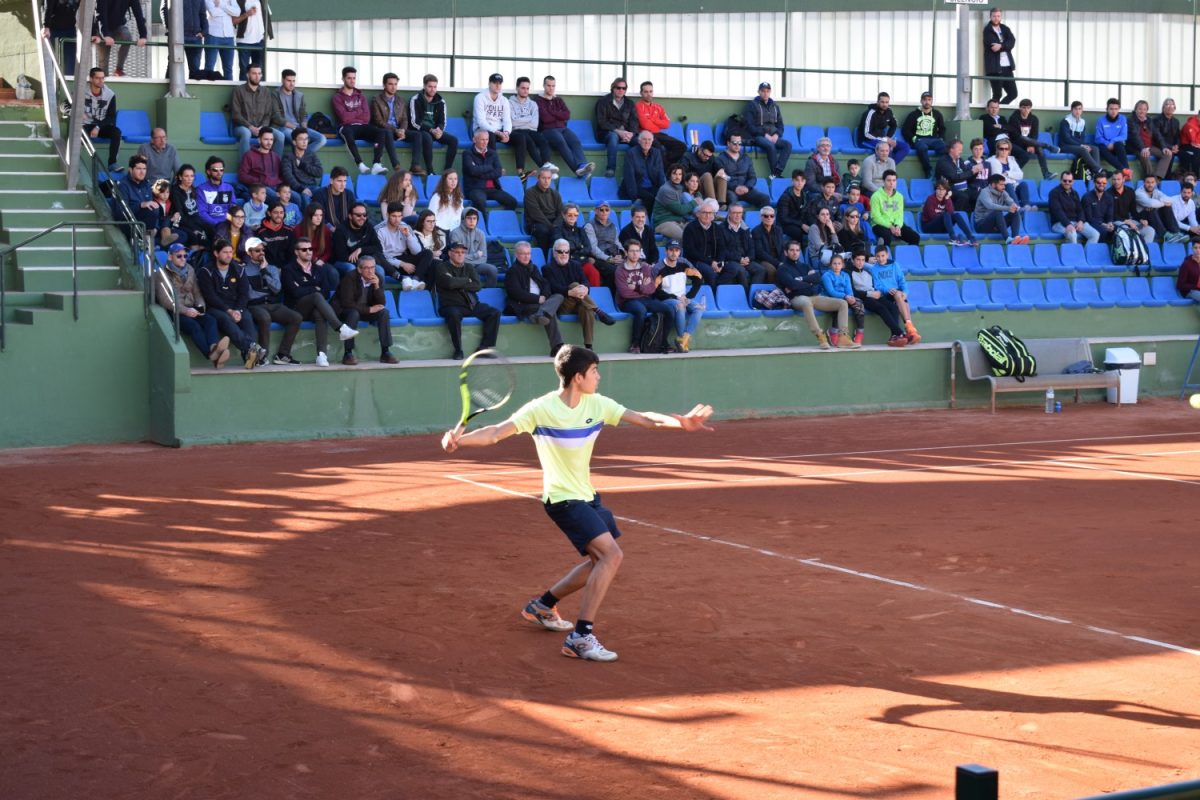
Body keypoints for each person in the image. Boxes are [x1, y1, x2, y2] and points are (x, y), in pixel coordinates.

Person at [442, 344, 713, 661]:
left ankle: (542, 605)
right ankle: (581, 638)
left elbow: (642, 418)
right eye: (595, 371)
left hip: (587, 494)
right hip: (562, 498)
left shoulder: (597, 404)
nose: (599, 377)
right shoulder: (541, 409)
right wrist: (461, 440)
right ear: (577, 377)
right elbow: (495, 433)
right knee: (611, 556)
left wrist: (679, 422)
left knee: (600, 561)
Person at [281, 236, 360, 366]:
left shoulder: (319, 269)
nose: (308, 252)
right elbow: (295, 292)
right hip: (295, 309)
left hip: (314, 308)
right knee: (316, 297)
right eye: (304, 249)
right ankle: (340, 328)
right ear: (296, 252)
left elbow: (325, 291)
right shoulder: (288, 269)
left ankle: (321, 355)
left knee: (320, 313)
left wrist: (305, 287)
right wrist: (314, 288)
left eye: (310, 249)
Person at [197, 238, 268, 369]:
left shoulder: (238, 269)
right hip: (216, 308)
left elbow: (244, 293)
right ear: (216, 253)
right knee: (225, 319)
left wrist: (238, 310)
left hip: (237, 306)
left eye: (231, 252)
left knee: (246, 318)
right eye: (225, 252)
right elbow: (210, 296)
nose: (229, 255)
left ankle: (249, 355)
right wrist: (229, 311)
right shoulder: (206, 271)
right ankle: (252, 350)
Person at [156, 243, 231, 367]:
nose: (183, 259)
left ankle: (213, 348)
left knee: (210, 320)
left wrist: (201, 306)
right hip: (176, 310)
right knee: (193, 326)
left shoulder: (190, 269)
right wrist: (185, 310)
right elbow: (165, 300)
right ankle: (211, 354)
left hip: (192, 308)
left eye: (185, 256)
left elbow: (196, 292)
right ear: (170, 257)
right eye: (179, 256)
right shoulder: (162, 273)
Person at [435, 240, 500, 360]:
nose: (460, 254)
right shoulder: (442, 267)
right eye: (457, 252)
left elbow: (477, 286)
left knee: (494, 312)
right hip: (451, 305)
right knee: (453, 315)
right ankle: (458, 350)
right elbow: (449, 283)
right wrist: (466, 280)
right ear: (450, 253)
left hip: (471, 305)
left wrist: (457, 282)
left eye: (463, 252)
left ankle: (484, 348)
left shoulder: (469, 267)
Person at [543, 240, 615, 350]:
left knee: (587, 309)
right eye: (560, 252)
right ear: (554, 253)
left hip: (579, 302)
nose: (564, 254)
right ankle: (598, 311)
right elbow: (552, 288)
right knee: (575, 285)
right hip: (562, 304)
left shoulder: (575, 265)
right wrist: (569, 292)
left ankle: (588, 346)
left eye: (566, 252)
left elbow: (585, 282)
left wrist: (585, 288)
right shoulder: (547, 268)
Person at [241, 235, 302, 365]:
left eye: (262, 250)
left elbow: (276, 289)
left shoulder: (272, 268)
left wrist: (264, 272)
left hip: (273, 304)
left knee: (296, 317)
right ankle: (262, 356)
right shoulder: (243, 270)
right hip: (255, 306)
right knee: (265, 318)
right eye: (257, 251)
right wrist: (265, 287)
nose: (261, 253)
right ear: (249, 253)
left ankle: (283, 354)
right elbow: (250, 294)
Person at [775, 239, 844, 349]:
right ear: (786, 252)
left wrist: (801, 279)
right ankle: (820, 336)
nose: (795, 252)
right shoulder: (783, 269)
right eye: (792, 250)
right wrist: (809, 283)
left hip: (814, 297)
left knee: (842, 303)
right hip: (796, 299)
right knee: (806, 302)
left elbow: (817, 278)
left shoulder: (805, 266)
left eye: (797, 250)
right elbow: (793, 285)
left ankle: (843, 337)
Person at [333, 255, 398, 365]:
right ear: (359, 269)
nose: (370, 271)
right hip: (344, 310)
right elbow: (347, 303)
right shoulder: (350, 278)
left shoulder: (378, 278)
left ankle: (385, 352)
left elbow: (381, 304)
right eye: (367, 268)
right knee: (353, 314)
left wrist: (377, 286)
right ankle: (348, 353)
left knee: (384, 313)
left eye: (372, 267)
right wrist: (369, 310)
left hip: (363, 311)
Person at [506, 242, 566, 357]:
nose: (526, 256)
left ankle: (540, 314)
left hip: (541, 303)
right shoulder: (512, 271)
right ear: (517, 255)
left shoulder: (533, 268)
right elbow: (516, 293)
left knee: (559, 296)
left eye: (528, 253)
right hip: (524, 304)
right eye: (523, 254)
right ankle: (557, 346)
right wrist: (537, 299)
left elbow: (545, 284)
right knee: (549, 313)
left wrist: (544, 296)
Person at [614, 239, 674, 354]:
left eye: (637, 251)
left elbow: (651, 289)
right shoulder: (620, 270)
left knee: (669, 310)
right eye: (632, 251)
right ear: (626, 252)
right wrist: (643, 287)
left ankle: (663, 342)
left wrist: (637, 288)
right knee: (641, 310)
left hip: (645, 299)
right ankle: (635, 344)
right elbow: (624, 293)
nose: (635, 254)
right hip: (627, 301)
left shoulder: (645, 267)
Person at [333, 66, 394, 175]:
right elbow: (344, 118)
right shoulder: (337, 97)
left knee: (382, 132)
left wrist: (351, 114)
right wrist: (358, 113)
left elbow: (366, 117)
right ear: (343, 79)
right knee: (347, 132)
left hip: (362, 126)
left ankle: (376, 164)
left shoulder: (361, 96)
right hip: (347, 127)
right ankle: (360, 164)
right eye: (349, 78)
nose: (352, 81)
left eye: (354, 78)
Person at [534, 76, 594, 178]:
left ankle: (582, 165)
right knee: (561, 141)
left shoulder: (558, 100)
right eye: (548, 85)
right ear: (544, 86)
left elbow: (567, 115)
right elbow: (545, 118)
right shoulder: (538, 100)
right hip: (547, 130)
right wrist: (558, 115)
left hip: (562, 128)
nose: (551, 88)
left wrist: (552, 113)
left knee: (575, 141)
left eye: (553, 86)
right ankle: (577, 170)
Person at [654, 240, 705, 353]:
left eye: (677, 250)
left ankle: (683, 339)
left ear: (680, 252)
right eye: (671, 250)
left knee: (700, 308)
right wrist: (676, 298)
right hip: (666, 299)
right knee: (680, 305)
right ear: (666, 251)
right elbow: (656, 292)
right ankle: (682, 339)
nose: (674, 253)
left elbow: (699, 278)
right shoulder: (658, 268)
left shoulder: (684, 263)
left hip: (682, 298)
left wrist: (688, 296)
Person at [850, 249, 907, 347]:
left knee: (893, 307)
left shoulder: (868, 272)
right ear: (853, 260)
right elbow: (853, 291)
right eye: (858, 260)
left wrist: (878, 292)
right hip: (864, 298)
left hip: (875, 294)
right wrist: (870, 294)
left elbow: (875, 285)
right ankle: (900, 333)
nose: (860, 262)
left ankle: (894, 335)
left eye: (863, 260)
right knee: (882, 308)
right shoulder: (849, 273)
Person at [371, 72, 424, 175]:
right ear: (384, 85)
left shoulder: (400, 100)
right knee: (387, 132)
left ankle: (415, 165)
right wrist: (396, 130)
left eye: (395, 84)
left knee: (418, 135)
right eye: (390, 84)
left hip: (398, 131)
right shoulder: (376, 100)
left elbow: (404, 119)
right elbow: (378, 121)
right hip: (386, 131)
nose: (393, 87)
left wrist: (403, 130)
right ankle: (396, 165)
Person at [869, 243, 920, 343]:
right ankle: (910, 327)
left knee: (901, 296)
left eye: (883, 256)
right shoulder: (874, 269)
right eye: (878, 256)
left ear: (887, 255)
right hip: (885, 294)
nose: (881, 258)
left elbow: (902, 280)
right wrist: (887, 289)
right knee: (900, 297)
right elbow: (877, 285)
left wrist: (905, 291)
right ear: (875, 257)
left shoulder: (894, 265)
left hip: (897, 293)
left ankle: (908, 330)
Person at [408, 74, 458, 175]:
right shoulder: (415, 99)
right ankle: (430, 170)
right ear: (424, 86)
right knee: (427, 137)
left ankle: (447, 171)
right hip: (421, 131)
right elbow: (414, 122)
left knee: (454, 140)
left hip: (435, 131)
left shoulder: (441, 101)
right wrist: (431, 130)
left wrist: (439, 130)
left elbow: (443, 121)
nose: (433, 89)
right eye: (430, 86)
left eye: (435, 87)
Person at [229, 63, 281, 159]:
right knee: (246, 133)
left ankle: (275, 165)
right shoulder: (238, 90)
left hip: (262, 127)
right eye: (254, 73)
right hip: (242, 127)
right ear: (248, 75)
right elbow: (236, 114)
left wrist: (263, 127)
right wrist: (250, 127)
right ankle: (245, 166)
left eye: (259, 73)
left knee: (280, 136)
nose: (257, 76)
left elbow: (268, 114)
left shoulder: (266, 91)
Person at [509, 76, 555, 180]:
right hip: (516, 130)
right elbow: (512, 122)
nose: (525, 91)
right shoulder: (509, 103)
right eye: (523, 88)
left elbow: (535, 124)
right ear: (517, 88)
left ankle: (547, 164)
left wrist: (520, 119)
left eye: (527, 88)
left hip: (531, 130)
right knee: (528, 140)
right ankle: (546, 170)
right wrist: (528, 118)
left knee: (543, 140)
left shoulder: (533, 104)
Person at [742, 81, 791, 178]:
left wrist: (777, 134)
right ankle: (776, 175)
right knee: (770, 146)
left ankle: (777, 172)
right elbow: (749, 126)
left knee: (788, 145)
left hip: (773, 136)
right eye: (763, 91)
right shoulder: (752, 105)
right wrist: (765, 135)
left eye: (767, 91)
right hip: (758, 136)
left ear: (770, 92)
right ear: (759, 92)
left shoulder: (775, 106)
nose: (765, 93)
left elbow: (780, 125)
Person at [594, 77, 640, 178]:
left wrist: (631, 134)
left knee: (640, 141)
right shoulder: (603, 101)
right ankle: (611, 168)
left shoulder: (629, 103)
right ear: (613, 88)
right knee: (613, 137)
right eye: (618, 88)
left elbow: (634, 121)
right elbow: (602, 122)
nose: (621, 90)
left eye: (624, 88)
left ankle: (639, 171)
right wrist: (618, 131)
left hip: (626, 134)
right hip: (607, 133)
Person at [273, 69, 327, 153]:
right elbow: (275, 116)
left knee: (322, 139)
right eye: (289, 81)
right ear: (282, 80)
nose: (292, 84)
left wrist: (304, 126)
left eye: (294, 81)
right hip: (283, 127)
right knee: (300, 141)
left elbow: (303, 114)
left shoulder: (299, 95)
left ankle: (299, 158)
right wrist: (293, 127)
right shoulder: (275, 94)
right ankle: (299, 160)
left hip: (299, 127)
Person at [80, 68, 123, 173]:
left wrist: (98, 127)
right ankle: (75, 163)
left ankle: (112, 164)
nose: (101, 81)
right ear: (91, 79)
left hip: (101, 126)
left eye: (102, 78)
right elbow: (65, 106)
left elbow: (111, 116)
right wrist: (77, 113)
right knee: (77, 134)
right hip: (86, 125)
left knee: (116, 132)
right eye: (97, 78)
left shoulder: (110, 94)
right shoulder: (80, 91)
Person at [463, 129, 518, 211]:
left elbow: (498, 172)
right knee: (480, 201)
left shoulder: (493, 153)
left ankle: (499, 221)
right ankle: (483, 222)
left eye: (487, 139)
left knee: (512, 202)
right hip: (475, 188)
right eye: (482, 140)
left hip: (493, 189)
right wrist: (490, 167)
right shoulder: (467, 153)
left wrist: (479, 172)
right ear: (474, 140)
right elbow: (472, 171)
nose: (485, 142)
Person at [635, 81, 685, 166]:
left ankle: (667, 166)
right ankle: (665, 170)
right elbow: (645, 125)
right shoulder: (638, 106)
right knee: (659, 149)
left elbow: (667, 124)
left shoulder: (658, 107)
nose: (649, 94)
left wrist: (653, 120)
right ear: (641, 93)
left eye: (651, 91)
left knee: (681, 146)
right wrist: (658, 122)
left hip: (658, 134)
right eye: (646, 92)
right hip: (645, 134)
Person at [92, 0, 147, 78]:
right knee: (103, 62)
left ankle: (119, 69)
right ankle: (103, 83)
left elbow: (138, 13)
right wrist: (105, 35)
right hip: (103, 26)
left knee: (127, 38)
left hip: (118, 25)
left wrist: (143, 35)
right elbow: (100, 14)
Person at [820, 254, 866, 346]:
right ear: (830, 265)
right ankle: (833, 331)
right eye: (834, 264)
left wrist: (851, 297)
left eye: (839, 264)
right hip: (829, 299)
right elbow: (831, 292)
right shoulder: (826, 276)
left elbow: (849, 289)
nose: (837, 266)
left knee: (859, 303)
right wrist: (845, 297)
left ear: (843, 265)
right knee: (841, 304)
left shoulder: (845, 275)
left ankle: (860, 332)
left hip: (845, 297)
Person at [332, 202, 385, 281]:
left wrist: (361, 250)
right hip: (341, 262)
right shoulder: (340, 230)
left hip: (363, 262)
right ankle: (354, 293)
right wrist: (364, 265)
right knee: (351, 268)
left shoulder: (368, 227)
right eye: (358, 215)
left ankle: (378, 293)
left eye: (364, 215)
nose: (362, 218)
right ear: (350, 216)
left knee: (379, 270)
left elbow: (378, 248)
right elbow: (342, 257)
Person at [1006, 99, 1056, 180]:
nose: (1026, 110)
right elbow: (1015, 135)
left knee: (1039, 148)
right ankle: (1047, 146)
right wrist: (1031, 144)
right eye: (1024, 108)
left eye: (1028, 108)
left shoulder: (1034, 119)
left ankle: (1046, 173)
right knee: (1022, 138)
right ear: (1020, 108)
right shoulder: (1014, 118)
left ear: (1031, 109)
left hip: (1029, 143)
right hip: (1016, 142)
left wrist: (1031, 145)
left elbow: (1034, 135)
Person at [716, 134, 770, 208]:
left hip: (745, 189)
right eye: (734, 143)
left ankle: (762, 219)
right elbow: (722, 178)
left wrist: (747, 187)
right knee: (732, 200)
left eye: (740, 143)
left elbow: (752, 177)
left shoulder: (746, 158)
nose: (737, 145)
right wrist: (735, 188)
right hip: (730, 190)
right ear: (728, 143)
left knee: (765, 198)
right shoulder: (720, 159)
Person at [449, 207, 497, 288]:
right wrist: (476, 255)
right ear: (463, 219)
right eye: (469, 218)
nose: (472, 221)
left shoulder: (481, 234)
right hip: (461, 266)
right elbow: (457, 257)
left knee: (493, 269)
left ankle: (488, 292)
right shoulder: (455, 233)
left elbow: (484, 257)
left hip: (477, 265)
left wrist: (469, 259)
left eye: (474, 218)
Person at [902, 92, 947, 178]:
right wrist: (913, 138)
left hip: (934, 140)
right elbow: (906, 130)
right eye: (925, 100)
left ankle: (942, 171)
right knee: (922, 148)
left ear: (932, 101)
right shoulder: (913, 114)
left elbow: (942, 128)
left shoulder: (937, 114)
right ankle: (928, 171)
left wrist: (941, 138)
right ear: (921, 101)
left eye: (929, 100)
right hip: (919, 140)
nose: (927, 102)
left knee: (945, 149)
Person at [375, 206, 422, 288]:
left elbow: (417, 251)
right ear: (387, 215)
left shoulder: (406, 227)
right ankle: (402, 279)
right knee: (378, 256)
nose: (397, 219)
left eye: (399, 216)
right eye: (394, 216)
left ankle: (415, 280)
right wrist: (402, 264)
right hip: (388, 263)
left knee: (428, 254)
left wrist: (408, 236)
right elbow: (382, 254)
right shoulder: (379, 229)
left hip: (403, 258)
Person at [974, 173, 1028, 244]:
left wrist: (1015, 207)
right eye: (1001, 184)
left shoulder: (1003, 192)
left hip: (996, 225)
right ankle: (1008, 240)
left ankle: (1015, 239)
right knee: (997, 212)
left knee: (1014, 212)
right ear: (993, 185)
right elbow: (990, 206)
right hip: (982, 226)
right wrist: (1008, 208)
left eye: (1004, 184)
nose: (1004, 187)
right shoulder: (985, 192)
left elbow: (1010, 201)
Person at [1047, 171, 1098, 245]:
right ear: (1061, 180)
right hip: (1059, 223)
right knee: (1073, 234)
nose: (1067, 182)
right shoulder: (1054, 193)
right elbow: (1057, 211)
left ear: (1073, 181)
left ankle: (1085, 255)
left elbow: (1080, 209)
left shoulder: (1075, 193)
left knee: (1095, 234)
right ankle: (1075, 256)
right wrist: (1068, 224)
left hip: (1075, 222)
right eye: (1065, 180)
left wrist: (1080, 221)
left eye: (1070, 181)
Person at [870, 170, 919, 246]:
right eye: (889, 180)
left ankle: (907, 256)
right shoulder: (876, 196)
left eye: (894, 180)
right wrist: (890, 226)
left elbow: (899, 215)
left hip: (895, 224)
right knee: (886, 237)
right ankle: (884, 256)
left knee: (915, 237)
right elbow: (876, 217)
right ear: (883, 181)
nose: (891, 183)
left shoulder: (899, 196)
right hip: (879, 224)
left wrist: (898, 226)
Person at [857, 92, 908, 164]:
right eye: (882, 102)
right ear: (878, 102)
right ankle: (887, 171)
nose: (885, 104)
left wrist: (888, 137)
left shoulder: (889, 111)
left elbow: (894, 125)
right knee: (886, 149)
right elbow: (867, 134)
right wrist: (885, 140)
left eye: (887, 102)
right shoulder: (870, 113)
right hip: (866, 140)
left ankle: (890, 167)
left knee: (905, 147)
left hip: (882, 139)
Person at [1109, 170, 1155, 248]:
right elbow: (1110, 215)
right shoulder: (1108, 193)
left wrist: (1141, 220)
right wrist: (1126, 221)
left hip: (1129, 221)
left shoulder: (1130, 191)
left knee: (1150, 230)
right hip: (1116, 221)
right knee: (1126, 229)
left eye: (1118, 179)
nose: (1116, 182)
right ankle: (1131, 253)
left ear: (1123, 179)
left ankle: (1143, 252)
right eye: (1114, 179)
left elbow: (1133, 210)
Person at [719, 203, 761, 289]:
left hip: (745, 259)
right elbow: (722, 250)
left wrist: (749, 258)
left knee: (761, 270)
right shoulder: (721, 228)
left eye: (740, 213)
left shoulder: (745, 228)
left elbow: (751, 247)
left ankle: (753, 293)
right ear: (729, 214)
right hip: (730, 260)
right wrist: (739, 259)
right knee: (741, 270)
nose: (738, 215)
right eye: (735, 213)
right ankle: (744, 295)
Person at [170, 164, 212, 249]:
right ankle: (195, 259)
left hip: (196, 219)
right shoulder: (175, 191)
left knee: (211, 230)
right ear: (180, 177)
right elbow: (180, 213)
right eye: (186, 176)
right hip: (183, 221)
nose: (190, 179)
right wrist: (195, 227)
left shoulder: (194, 190)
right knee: (197, 235)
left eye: (192, 176)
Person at [920, 180, 975, 245]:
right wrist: (943, 216)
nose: (941, 192)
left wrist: (947, 199)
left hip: (941, 227)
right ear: (936, 190)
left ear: (946, 191)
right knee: (945, 214)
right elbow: (932, 216)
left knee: (956, 215)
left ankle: (970, 238)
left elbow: (951, 213)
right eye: (939, 189)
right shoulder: (930, 199)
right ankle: (953, 238)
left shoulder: (947, 199)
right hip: (929, 226)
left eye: (943, 190)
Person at [524, 166, 565, 254]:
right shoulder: (530, 193)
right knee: (544, 230)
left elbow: (561, 212)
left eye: (549, 178)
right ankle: (545, 257)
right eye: (543, 178)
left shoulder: (555, 193)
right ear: (538, 178)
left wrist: (555, 225)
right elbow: (536, 214)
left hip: (553, 223)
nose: (546, 181)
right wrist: (552, 227)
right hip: (537, 223)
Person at [621, 130, 666, 209]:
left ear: (652, 141)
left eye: (649, 140)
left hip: (652, 186)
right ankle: (650, 220)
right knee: (651, 199)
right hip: (637, 186)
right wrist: (634, 196)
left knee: (665, 198)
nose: (647, 142)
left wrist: (663, 191)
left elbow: (660, 173)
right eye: (644, 139)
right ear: (639, 141)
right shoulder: (631, 153)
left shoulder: (656, 153)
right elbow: (629, 176)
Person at [653, 163, 697, 241]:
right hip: (664, 222)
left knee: (698, 233)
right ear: (669, 175)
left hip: (679, 222)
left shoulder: (680, 187)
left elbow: (694, 191)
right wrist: (694, 202)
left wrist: (698, 195)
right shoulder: (666, 190)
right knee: (685, 237)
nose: (677, 177)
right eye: (674, 174)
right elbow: (680, 210)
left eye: (680, 174)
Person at [982, 7, 1017, 105]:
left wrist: (1001, 45)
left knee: (1013, 93)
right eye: (994, 16)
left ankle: (998, 110)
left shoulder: (1005, 28)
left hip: (1008, 67)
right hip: (995, 68)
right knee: (997, 94)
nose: (996, 18)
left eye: (998, 16)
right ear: (990, 16)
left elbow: (1012, 42)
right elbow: (994, 47)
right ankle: (994, 111)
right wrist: (1006, 45)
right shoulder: (988, 30)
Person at [1127, 100, 1170, 180]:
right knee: (1145, 154)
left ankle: (1157, 178)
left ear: (1147, 110)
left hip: (1149, 146)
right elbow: (1135, 136)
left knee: (1167, 154)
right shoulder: (1131, 120)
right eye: (1140, 109)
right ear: (1135, 109)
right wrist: (1143, 148)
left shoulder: (1149, 121)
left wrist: (1164, 147)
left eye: (1144, 109)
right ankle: (1150, 179)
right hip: (1136, 147)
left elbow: (1157, 135)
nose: (1142, 111)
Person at [1136, 174, 1186, 242]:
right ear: (1144, 183)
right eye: (1148, 182)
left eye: (1152, 182)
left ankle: (1176, 232)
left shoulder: (1156, 192)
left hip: (1153, 216)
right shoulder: (1138, 193)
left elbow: (1170, 200)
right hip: (1141, 218)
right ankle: (1165, 235)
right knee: (1151, 209)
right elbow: (1150, 203)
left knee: (1166, 207)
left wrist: (1161, 203)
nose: (1150, 185)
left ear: (1155, 183)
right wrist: (1162, 203)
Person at [236, 127, 281, 200]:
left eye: (271, 140)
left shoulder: (275, 156)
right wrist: (259, 180)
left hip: (275, 186)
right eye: (266, 139)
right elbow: (242, 176)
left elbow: (281, 175)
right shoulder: (249, 155)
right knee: (277, 197)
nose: (269, 143)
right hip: (259, 187)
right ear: (259, 140)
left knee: (295, 197)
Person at [1059, 101, 1102, 176]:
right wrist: (1081, 145)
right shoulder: (1066, 121)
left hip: (1077, 145)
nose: (1077, 111)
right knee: (1083, 149)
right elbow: (1067, 139)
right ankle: (1098, 170)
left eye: (1079, 109)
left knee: (1095, 148)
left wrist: (1083, 144)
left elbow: (1082, 138)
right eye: (1075, 109)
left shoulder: (1082, 122)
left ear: (1082, 110)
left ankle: (1096, 173)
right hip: (1065, 146)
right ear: (1071, 110)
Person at [281, 128, 322, 205]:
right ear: (294, 142)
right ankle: (307, 217)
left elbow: (319, 172)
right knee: (305, 196)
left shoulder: (311, 155)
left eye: (306, 139)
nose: (304, 142)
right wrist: (300, 188)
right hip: (298, 187)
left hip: (313, 186)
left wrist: (303, 165)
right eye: (301, 139)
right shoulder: (288, 157)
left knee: (323, 193)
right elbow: (287, 176)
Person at [472, 72, 513, 150]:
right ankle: (493, 162)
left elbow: (507, 120)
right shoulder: (480, 98)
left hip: (499, 130)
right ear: (489, 83)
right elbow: (481, 122)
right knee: (490, 136)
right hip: (483, 130)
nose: (498, 85)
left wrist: (506, 132)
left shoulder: (504, 100)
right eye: (495, 83)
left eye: (500, 83)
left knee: (520, 138)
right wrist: (497, 132)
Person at [985, 138, 1031, 206]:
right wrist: (1012, 177)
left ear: (1009, 150)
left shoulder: (1011, 160)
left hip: (1013, 188)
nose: (1004, 151)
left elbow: (1020, 175)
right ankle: (1017, 208)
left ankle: (1027, 207)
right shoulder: (992, 161)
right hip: (1000, 190)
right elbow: (999, 178)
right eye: (1001, 149)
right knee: (1008, 185)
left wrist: (1007, 173)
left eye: (1006, 149)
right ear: (997, 149)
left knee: (1023, 184)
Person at [117, 154, 157, 232]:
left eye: (144, 169)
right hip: (128, 223)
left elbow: (151, 206)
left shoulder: (147, 184)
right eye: (138, 169)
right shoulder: (123, 185)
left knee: (155, 209)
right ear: (130, 170)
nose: (142, 172)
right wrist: (140, 205)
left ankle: (152, 233)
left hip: (144, 223)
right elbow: (121, 212)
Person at [42, 0, 82, 77]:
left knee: (70, 61)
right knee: (52, 59)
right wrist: (46, 26)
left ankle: (69, 81)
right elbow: (48, 7)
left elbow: (88, 10)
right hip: (53, 29)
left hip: (69, 29)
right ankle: (53, 83)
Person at [935, 138, 977, 212]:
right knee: (963, 197)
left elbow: (966, 174)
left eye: (962, 149)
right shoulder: (943, 161)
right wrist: (972, 172)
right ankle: (954, 217)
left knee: (976, 195)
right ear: (951, 149)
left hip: (961, 188)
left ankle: (971, 217)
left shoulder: (959, 160)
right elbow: (953, 177)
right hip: (946, 188)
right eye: (959, 149)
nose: (961, 151)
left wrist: (976, 171)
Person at [195, 155, 235, 231]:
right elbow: (202, 213)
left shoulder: (229, 188)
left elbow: (233, 209)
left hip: (227, 223)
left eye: (221, 170)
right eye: (215, 170)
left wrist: (230, 222)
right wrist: (217, 223)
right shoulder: (201, 189)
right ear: (208, 171)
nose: (219, 172)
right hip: (211, 225)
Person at [584, 202, 624, 272]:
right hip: (600, 258)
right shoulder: (589, 226)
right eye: (601, 210)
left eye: (607, 210)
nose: (604, 212)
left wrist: (621, 253)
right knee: (616, 271)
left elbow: (617, 243)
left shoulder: (613, 226)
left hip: (614, 254)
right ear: (596, 211)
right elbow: (593, 248)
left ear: (610, 211)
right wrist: (608, 259)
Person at [1095, 98, 1131, 175]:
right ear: (1107, 109)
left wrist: (1112, 142)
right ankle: (1124, 170)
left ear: (1119, 109)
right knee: (1100, 148)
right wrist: (1107, 143)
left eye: (1116, 109)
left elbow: (1124, 136)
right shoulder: (1101, 120)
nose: (1113, 111)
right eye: (1111, 109)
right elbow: (1098, 138)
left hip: (1117, 146)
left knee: (1119, 144)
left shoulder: (1123, 119)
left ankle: (1126, 170)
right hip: (1105, 146)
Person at [617, 206, 658, 276]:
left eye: (642, 217)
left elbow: (654, 250)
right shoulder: (625, 232)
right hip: (633, 265)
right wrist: (644, 265)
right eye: (637, 217)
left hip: (648, 264)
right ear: (632, 218)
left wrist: (652, 263)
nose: (640, 219)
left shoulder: (649, 230)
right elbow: (628, 254)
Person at [751, 206, 785, 283]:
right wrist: (778, 263)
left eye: (772, 216)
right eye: (766, 216)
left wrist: (782, 262)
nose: (769, 218)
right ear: (761, 218)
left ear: (774, 218)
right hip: (763, 260)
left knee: (788, 268)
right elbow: (760, 252)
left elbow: (782, 248)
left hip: (778, 259)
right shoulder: (756, 231)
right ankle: (772, 290)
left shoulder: (778, 230)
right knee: (771, 270)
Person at [202, 0, 235, 80]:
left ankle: (229, 90)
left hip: (229, 36)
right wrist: (229, 11)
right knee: (209, 66)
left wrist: (221, 5)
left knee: (228, 68)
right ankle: (208, 89)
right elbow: (213, 13)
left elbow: (237, 12)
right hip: (213, 35)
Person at [254, 200, 293, 267]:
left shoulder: (289, 231)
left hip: (287, 266)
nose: (279, 215)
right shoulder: (260, 232)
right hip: (268, 266)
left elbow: (293, 253)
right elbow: (258, 253)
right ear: (269, 213)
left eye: (281, 213)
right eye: (276, 212)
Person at [1080, 171, 1117, 243]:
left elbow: (1110, 215)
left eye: (1104, 183)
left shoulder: (1109, 197)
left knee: (1117, 231)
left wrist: (1110, 223)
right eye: (1099, 183)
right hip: (1091, 223)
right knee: (1103, 232)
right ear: (1094, 183)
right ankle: (1097, 252)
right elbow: (1089, 218)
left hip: (1104, 223)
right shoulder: (1087, 197)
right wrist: (1104, 225)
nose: (1101, 185)